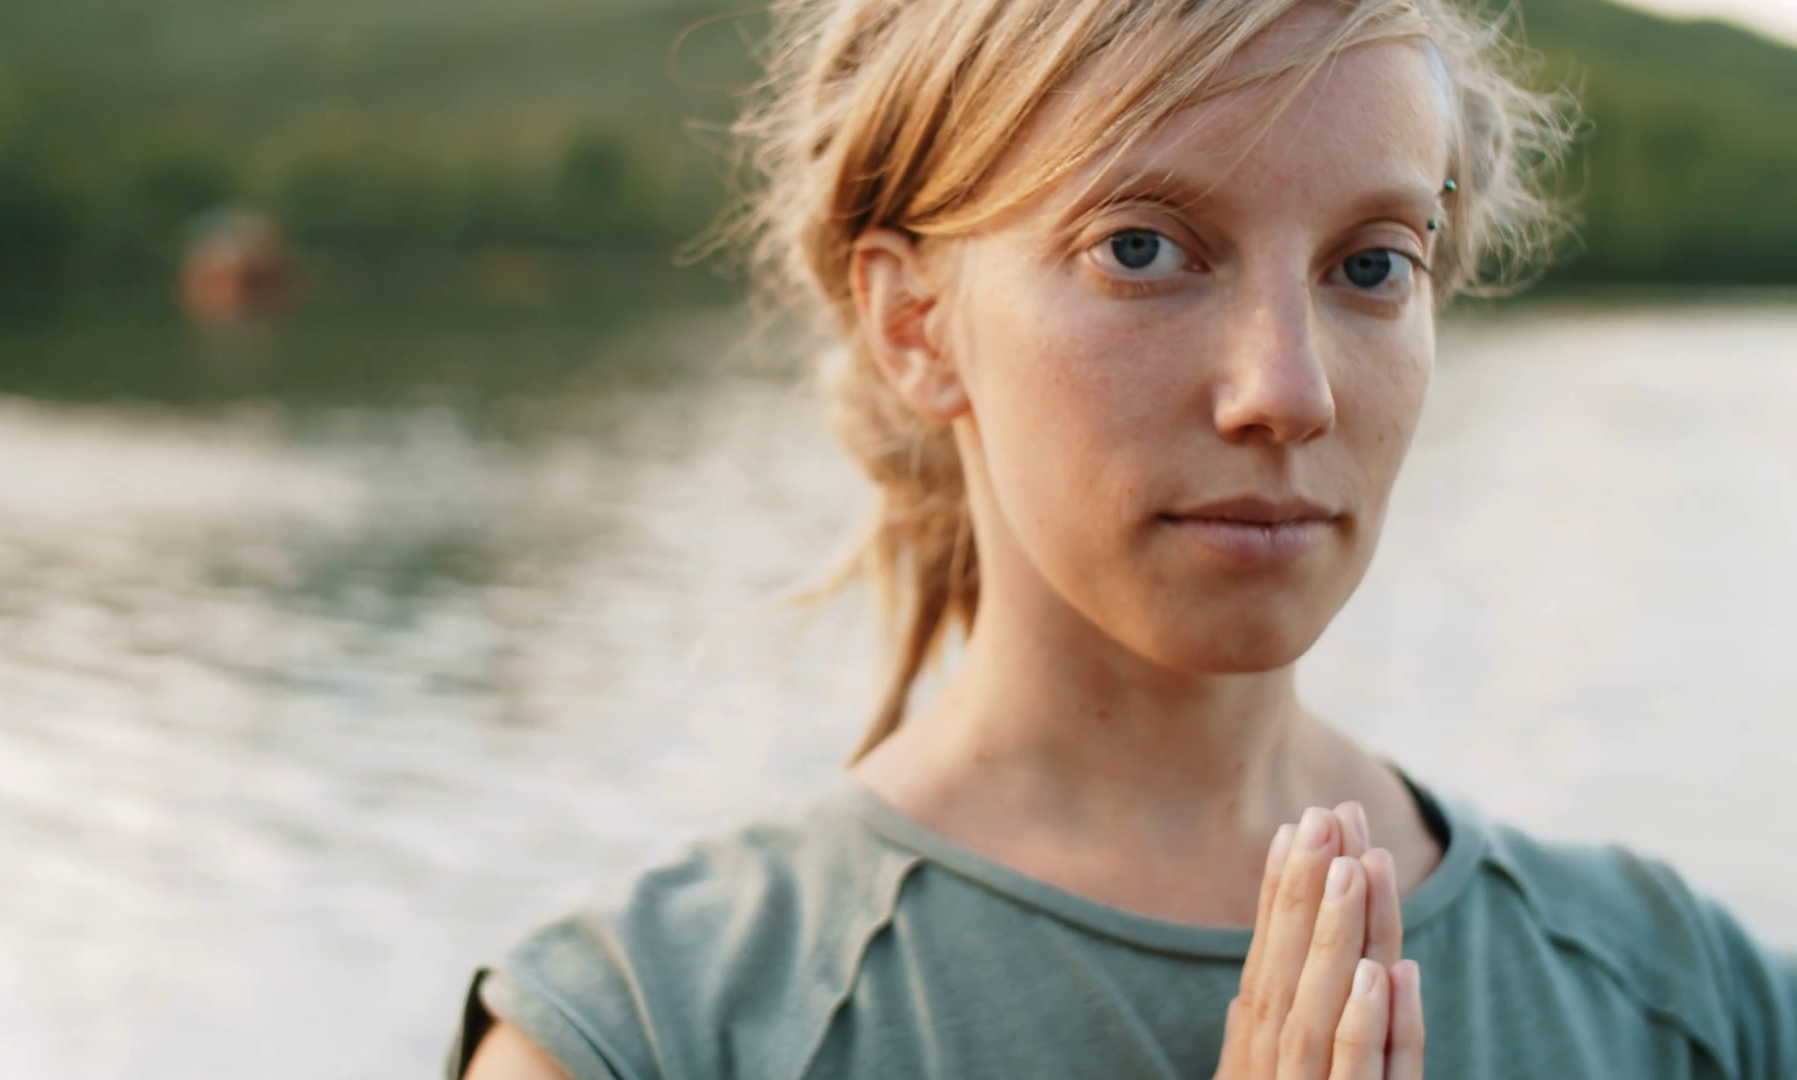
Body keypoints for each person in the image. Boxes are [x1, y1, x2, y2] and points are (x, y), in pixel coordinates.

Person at [449, 0, 1797, 1076]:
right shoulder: (652, 1035)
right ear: (914, 325)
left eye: (1371, 264)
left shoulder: (1691, 1002)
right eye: (1143, 249)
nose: (1289, 388)